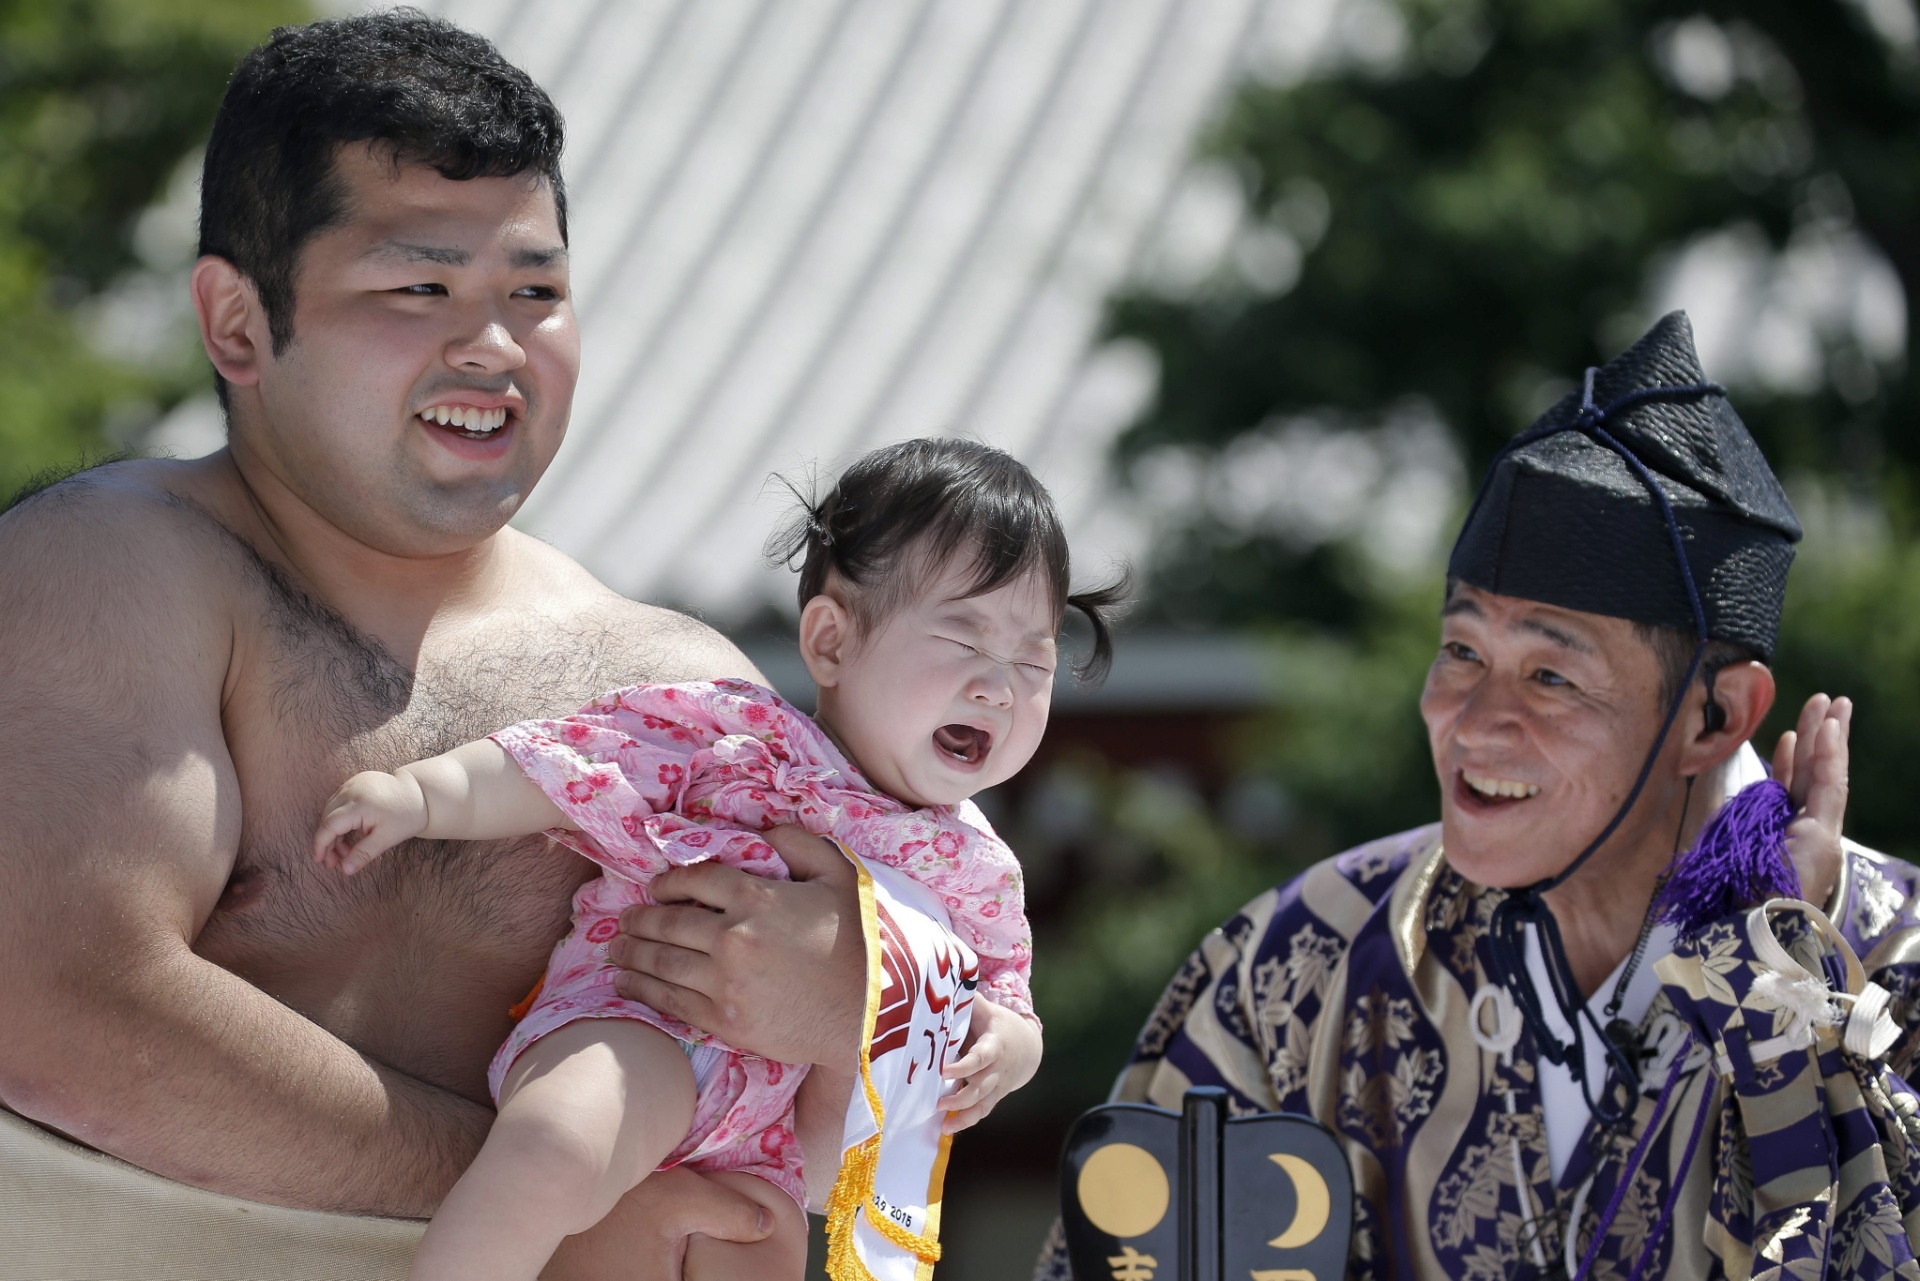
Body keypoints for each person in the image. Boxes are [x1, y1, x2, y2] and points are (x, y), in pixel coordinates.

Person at [0, 12, 868, 1278]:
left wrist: (868, 1002)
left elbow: (822, 1148)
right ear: (238, 323)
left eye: (536, 291)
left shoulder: (677, 692)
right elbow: (64, 1002)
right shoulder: (114, 566)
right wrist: (543, 1194)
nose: (494, 346)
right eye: (419, 287)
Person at [1037, 312, 1920, 1279]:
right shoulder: (1303, 964)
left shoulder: (1894, 972)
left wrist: (1788, 1000)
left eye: (1552, 676)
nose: (1473, 721)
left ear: (1714, 718)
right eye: (1462, 650)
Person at [312, 439, 1117, 1279]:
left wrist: (1010, 1051)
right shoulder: (737, 735)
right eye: (964, 639)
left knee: (760, 1248)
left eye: (1034, 660)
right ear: (832, 641)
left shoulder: (976, 864)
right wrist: (423, 797)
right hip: (637, 1022)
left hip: (768, 1136)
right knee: (553, 1146)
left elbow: (1005, 996)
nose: (1000, 686)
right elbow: (563, 762)